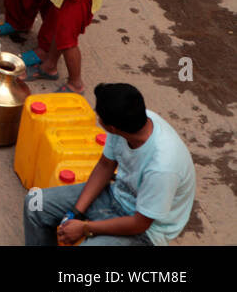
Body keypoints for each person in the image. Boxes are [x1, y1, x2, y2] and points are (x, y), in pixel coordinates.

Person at [23, 83, 195, 246]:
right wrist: (75, 213)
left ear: (111, 128)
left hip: (146, 231)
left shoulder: (162, 168)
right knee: (34, 203)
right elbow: (105, 165)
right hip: (115, 195)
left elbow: (139, 224)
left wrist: (84, 228)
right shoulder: (129, 121)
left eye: (98, 116)